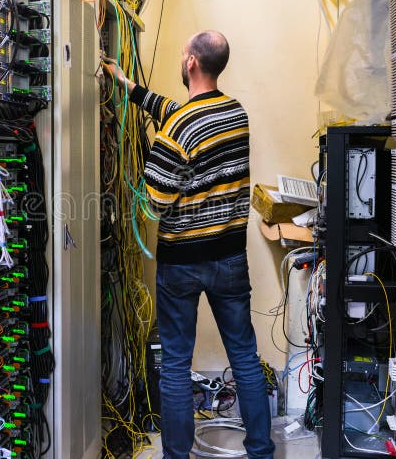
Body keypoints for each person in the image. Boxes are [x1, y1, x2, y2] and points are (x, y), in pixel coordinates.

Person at [102, 31, 275, 459]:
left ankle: (176, 456)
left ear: (193, 62)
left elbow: (156, 201)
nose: (181, 60)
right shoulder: (235, 113)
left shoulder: (179, 127)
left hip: (181, 263)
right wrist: (129, 87)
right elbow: (179, 114)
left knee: (176, 366)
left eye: (183, 54)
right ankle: (262, 452)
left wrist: (150, 170)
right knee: (246, 359)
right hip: (230, 258)